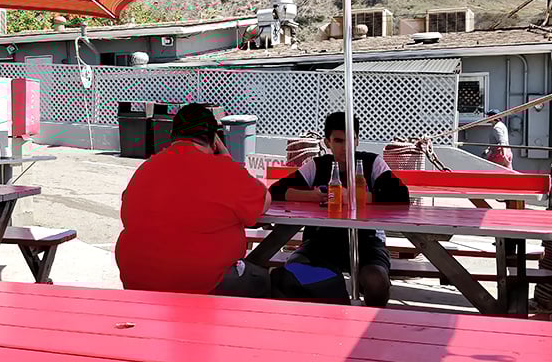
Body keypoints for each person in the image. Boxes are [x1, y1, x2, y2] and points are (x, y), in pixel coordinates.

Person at [115, 103, 272, 296]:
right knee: (262, 280)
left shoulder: (146, 169)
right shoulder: (223, 171)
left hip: (138, 283)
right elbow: (265, 201)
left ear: (173, 135)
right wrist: (227, 159)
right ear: (215, 140)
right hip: (203, 286)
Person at [269, 112, 409, 307]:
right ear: (327, 142)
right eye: (339, 141)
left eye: (351, 140)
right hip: (320, 241)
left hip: (367, 242)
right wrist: (312, 196)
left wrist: (352, 196)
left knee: (377, 283)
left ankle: (374, 328)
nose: (346, 147)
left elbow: (401, 196)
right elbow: (276, 190)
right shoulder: (317, 166)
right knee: (294, 273)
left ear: (358, 140)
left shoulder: (372, 163)